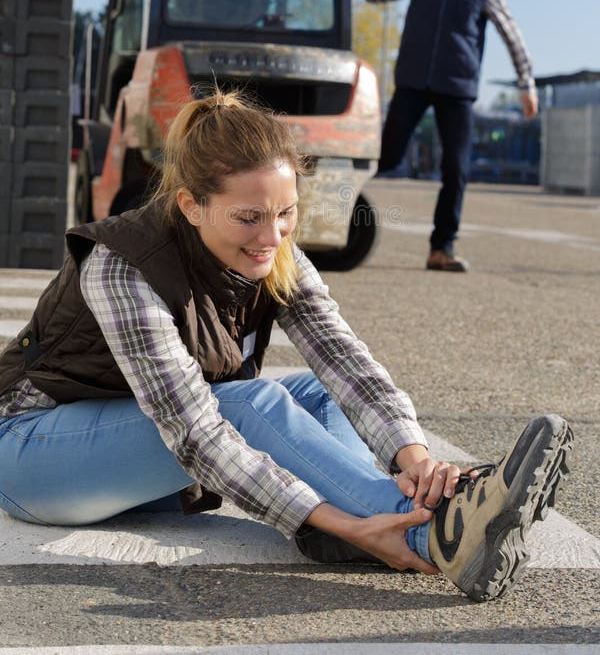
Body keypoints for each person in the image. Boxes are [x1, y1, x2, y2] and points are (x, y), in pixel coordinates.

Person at [0, 90, 571, 602]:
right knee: (247, 403)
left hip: (136, 460)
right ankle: (431, 531)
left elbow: (344, 361)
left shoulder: (275, 252)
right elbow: (193, 428)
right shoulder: (122, 266)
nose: (271, 237)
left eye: (285, 214)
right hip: (31, 456)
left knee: (318, 390)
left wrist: (416, 459)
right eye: (248, 217)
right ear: (191, 205)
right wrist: (333, 519)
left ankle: (397, 511)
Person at [352, 0, 539, 272]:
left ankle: (441, 248)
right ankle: (330, 211)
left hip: (457, 86)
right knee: (387, 155)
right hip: (413, 80)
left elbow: (512, 35)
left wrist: (526, 84)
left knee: (456, 167)